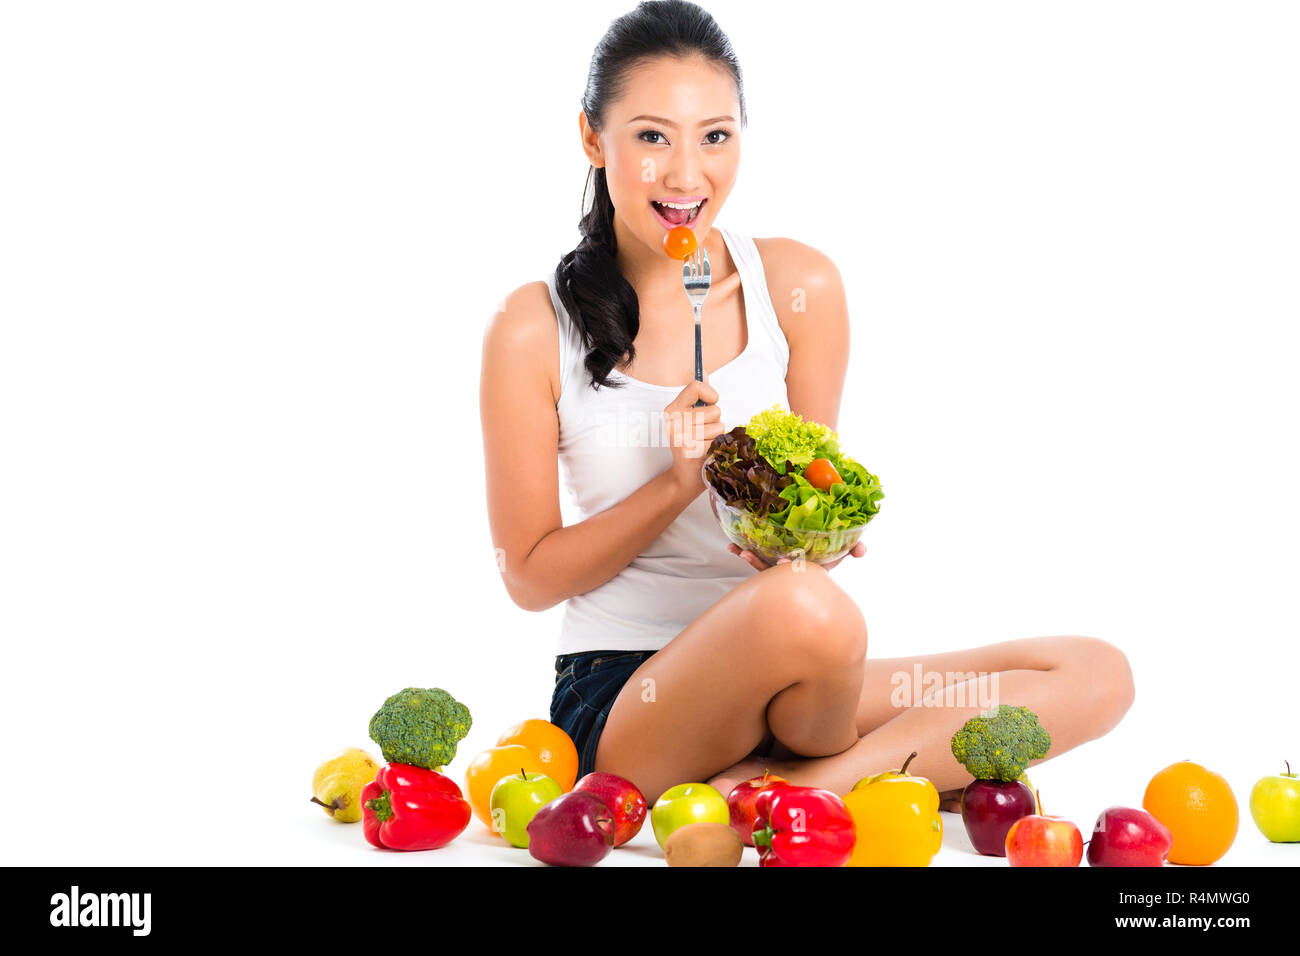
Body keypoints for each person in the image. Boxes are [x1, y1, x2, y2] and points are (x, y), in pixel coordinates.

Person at [479, 0, 1134, 810]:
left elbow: (809, 512)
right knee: (806, 609)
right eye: (652, 136)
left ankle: (793, 785)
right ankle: (890, 772)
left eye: (715, 135)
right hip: (625, 698)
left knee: (1094, 672)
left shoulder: (799, 288)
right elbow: (529, 578)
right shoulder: (529, 327)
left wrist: (813, 534)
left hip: (797, 676)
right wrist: (679, 486)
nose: (687, 175)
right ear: (592, 137)